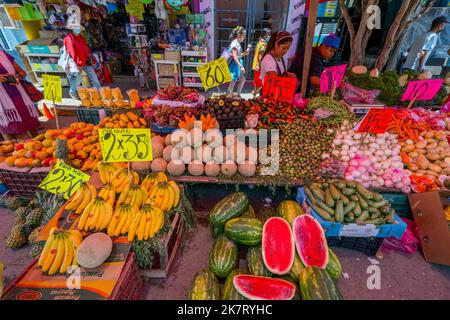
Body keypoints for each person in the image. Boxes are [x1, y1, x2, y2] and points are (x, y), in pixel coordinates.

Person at [0, 49, 40, 140]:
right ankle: (12, 152)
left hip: (19, 96)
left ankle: (39, 145)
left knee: (30, 124)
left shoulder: (4, 55)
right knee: (8, 129)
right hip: (2, 104)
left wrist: (16, 78)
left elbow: (22, 73)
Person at [61, 22, 101, 100]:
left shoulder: (80, 37)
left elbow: (86, 49)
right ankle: (73, 92)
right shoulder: (69, 38)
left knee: (93, 76)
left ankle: (99, 92)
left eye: (78, 28)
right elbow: (72, 52)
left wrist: (92, 59)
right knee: (77, 79)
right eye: (76, 27)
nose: (78, 29)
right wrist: (78, 64)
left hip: (86, 61)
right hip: (77, 63)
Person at [227, 26, 250, 97]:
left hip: (237, 64)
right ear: (239, 35)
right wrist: (241, 67)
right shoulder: (234, 43)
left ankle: (237, 94)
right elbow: (234, 56)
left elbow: (238, 55)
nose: (244, 37)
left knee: (242, 79)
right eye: (244, 36)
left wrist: (244, 53)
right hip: (234, 65)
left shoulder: (238, 43)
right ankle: (229, 95)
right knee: (234, 79)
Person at [252, 28, 271, 96]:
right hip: (260, 67)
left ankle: (254, 97)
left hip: (256, 67)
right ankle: (254, 94)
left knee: (257, 84)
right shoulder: (263, 44)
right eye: (269, 34)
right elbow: (260, 57)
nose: (270, 36)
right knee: (262, 84)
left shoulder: (259, 43)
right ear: (265, 35)